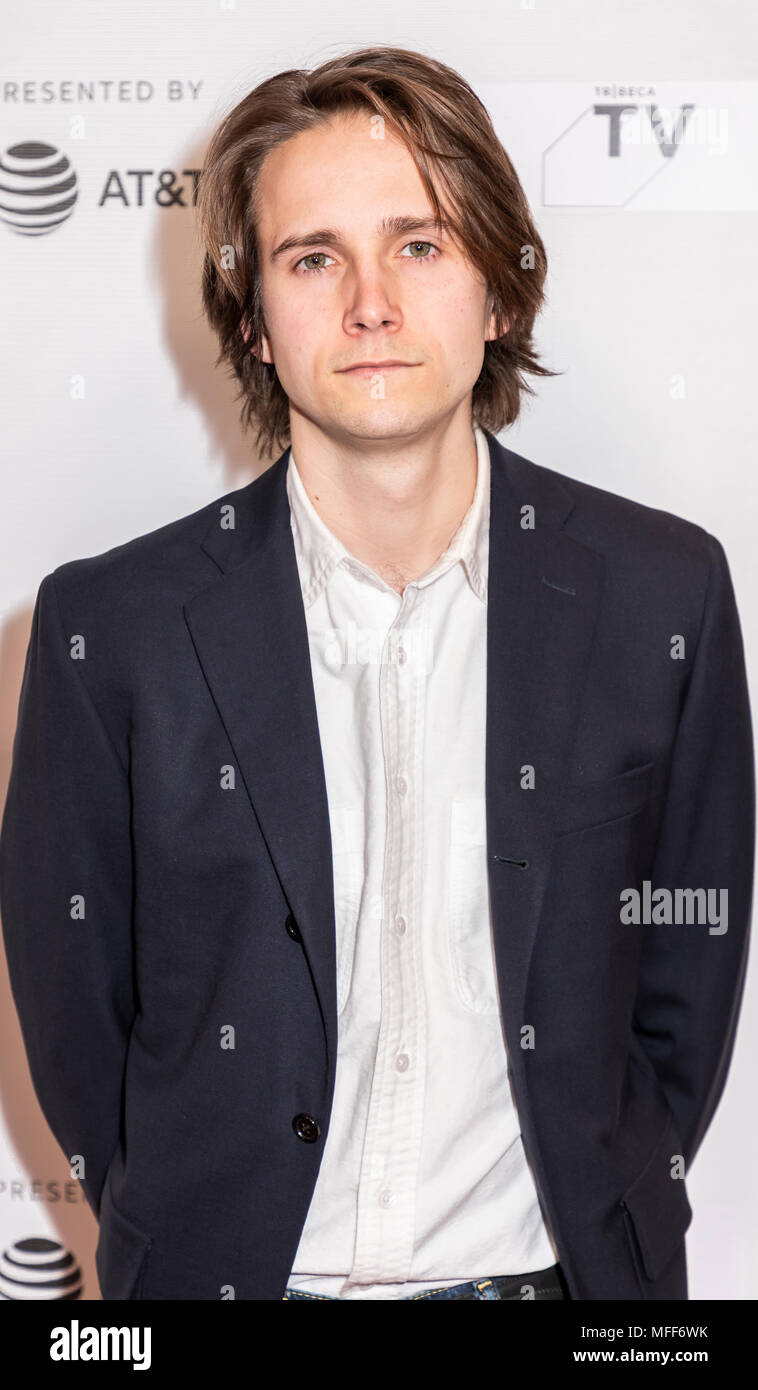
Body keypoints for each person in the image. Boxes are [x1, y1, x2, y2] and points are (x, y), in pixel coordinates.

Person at [0, 45, 753, 1303]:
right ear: (252, 318)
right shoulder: (110, 630)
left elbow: (684, 982)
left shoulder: (660, 597)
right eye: (313, 258)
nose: (369, 303)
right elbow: (78, 1017)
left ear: (497, 290)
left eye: (419, 244)